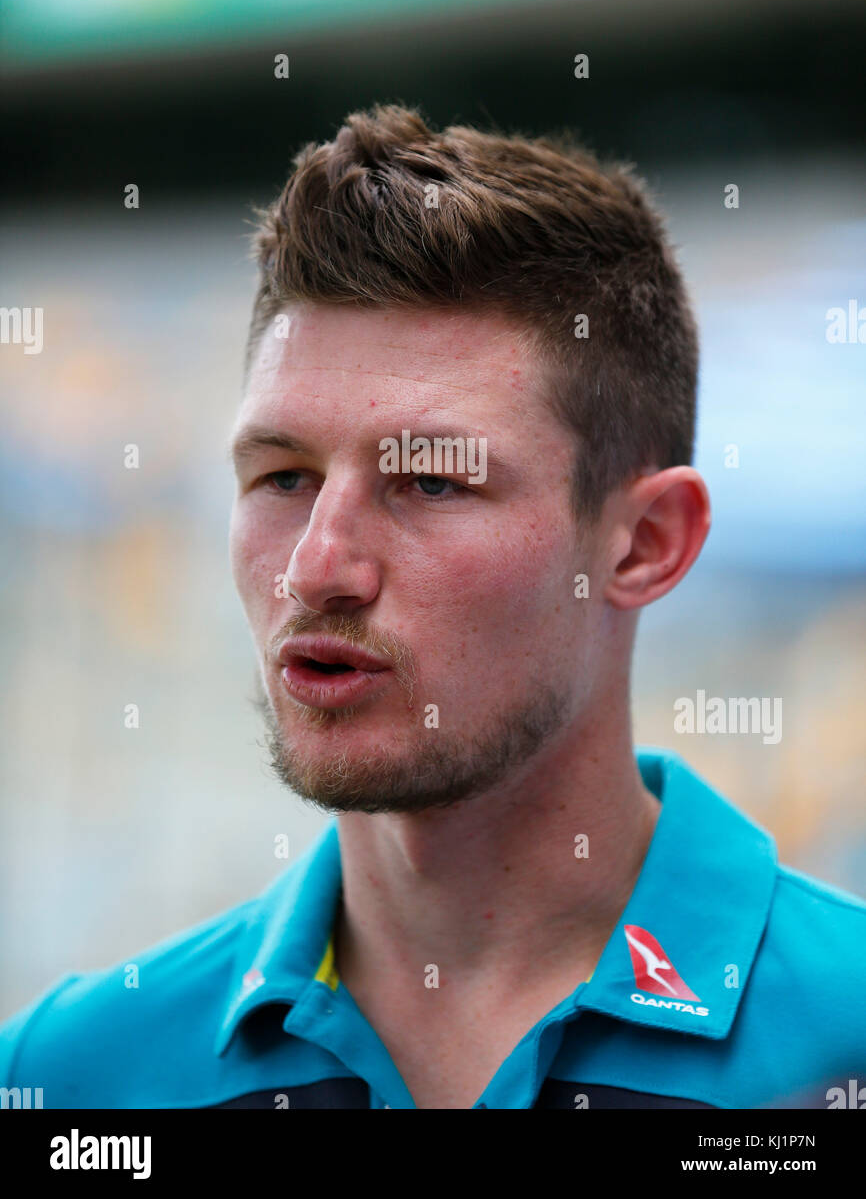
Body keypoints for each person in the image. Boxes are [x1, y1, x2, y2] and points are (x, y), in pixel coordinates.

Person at [2, 104, 863, 1110]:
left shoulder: (839, 1032)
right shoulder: (70, 1077)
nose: (317, 566)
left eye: (430, 483)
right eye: (282, 476)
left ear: (643, 542)